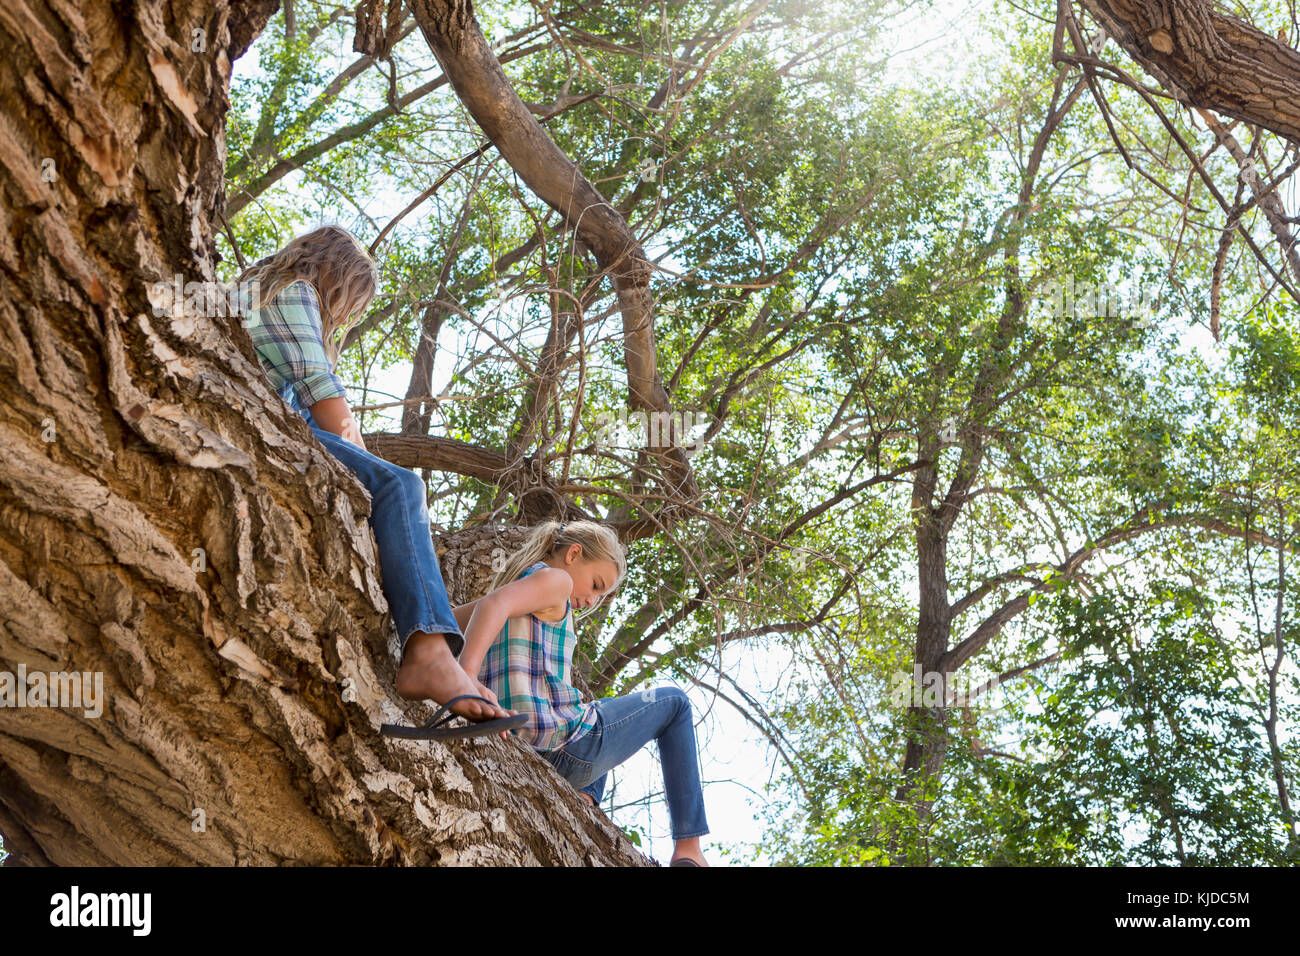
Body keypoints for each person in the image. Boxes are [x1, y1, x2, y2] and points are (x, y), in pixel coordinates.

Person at [238, 225, 517, 735]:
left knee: (394, 487)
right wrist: (378, 478)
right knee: (401, 487)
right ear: (335, 278)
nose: (342, 317)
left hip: (267, 425)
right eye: (348, 303)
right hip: (272, 424)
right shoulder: (290, 290)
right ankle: (429, 653)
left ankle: (435, 649)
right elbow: (322, 395)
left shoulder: (253, 289)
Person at [455, 519, 711, 866]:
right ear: (574, 553)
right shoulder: (555, 580)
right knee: (675, 703)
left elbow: (449, 621)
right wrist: (467, 676)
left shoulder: (518, 590)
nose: (591, 599)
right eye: (596, 584)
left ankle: (583, 798)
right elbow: (490, 607)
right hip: (562, 746)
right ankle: (690, 852)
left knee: (598, 706)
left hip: (529, 745)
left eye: (600, 596)